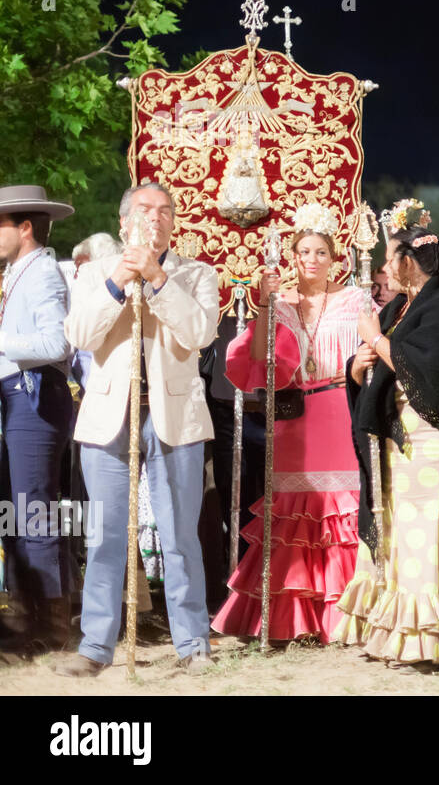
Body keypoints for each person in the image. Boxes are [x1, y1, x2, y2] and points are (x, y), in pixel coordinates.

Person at [56, 183, 219, 677]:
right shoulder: (92, 275)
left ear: (174, 223)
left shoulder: (196, 275)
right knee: (106, 537)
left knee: (179, 536)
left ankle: (193, 642)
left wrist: (157, 278)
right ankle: (96, 647)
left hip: (174, 418)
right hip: (109, 418)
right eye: (145, 210)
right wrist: (117, 281)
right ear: (124, 220)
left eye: (166, 211)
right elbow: (80, 336)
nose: (156, 218)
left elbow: (200, 335)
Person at [334, 216, 439, 665]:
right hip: (397, 438)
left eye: (390, 258)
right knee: (395, 536)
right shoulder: (396, 310)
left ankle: (434, 642)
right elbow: (379, 370)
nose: (384, 267)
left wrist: (375, 339)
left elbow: (428, 376)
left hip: (436, 437)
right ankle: (395, 634)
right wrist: (358, 366)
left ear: (410, 262)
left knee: (427, 539)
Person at [211, 204, 372, 642]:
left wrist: (358, 370)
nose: (312, 260)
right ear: (293, 257)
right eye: (304, 252)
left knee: (341, 513)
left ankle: (345, 619)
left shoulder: (356, 299)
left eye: (321, 252)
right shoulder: (280, 303)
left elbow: (373, 350)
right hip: (294, 418)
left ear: (334, 257)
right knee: (292, 518)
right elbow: (260, 361)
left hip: (341, 410)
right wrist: (265, 303)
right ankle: (288, 619)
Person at [0, 185, 76, 652]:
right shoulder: (18, 273)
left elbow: (56, 346)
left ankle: (50, 628)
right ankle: (25, 616)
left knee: (33, 513)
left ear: (24, 228)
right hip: (17, 397)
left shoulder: (44, 274)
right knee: (15, 512)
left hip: (36, 397)